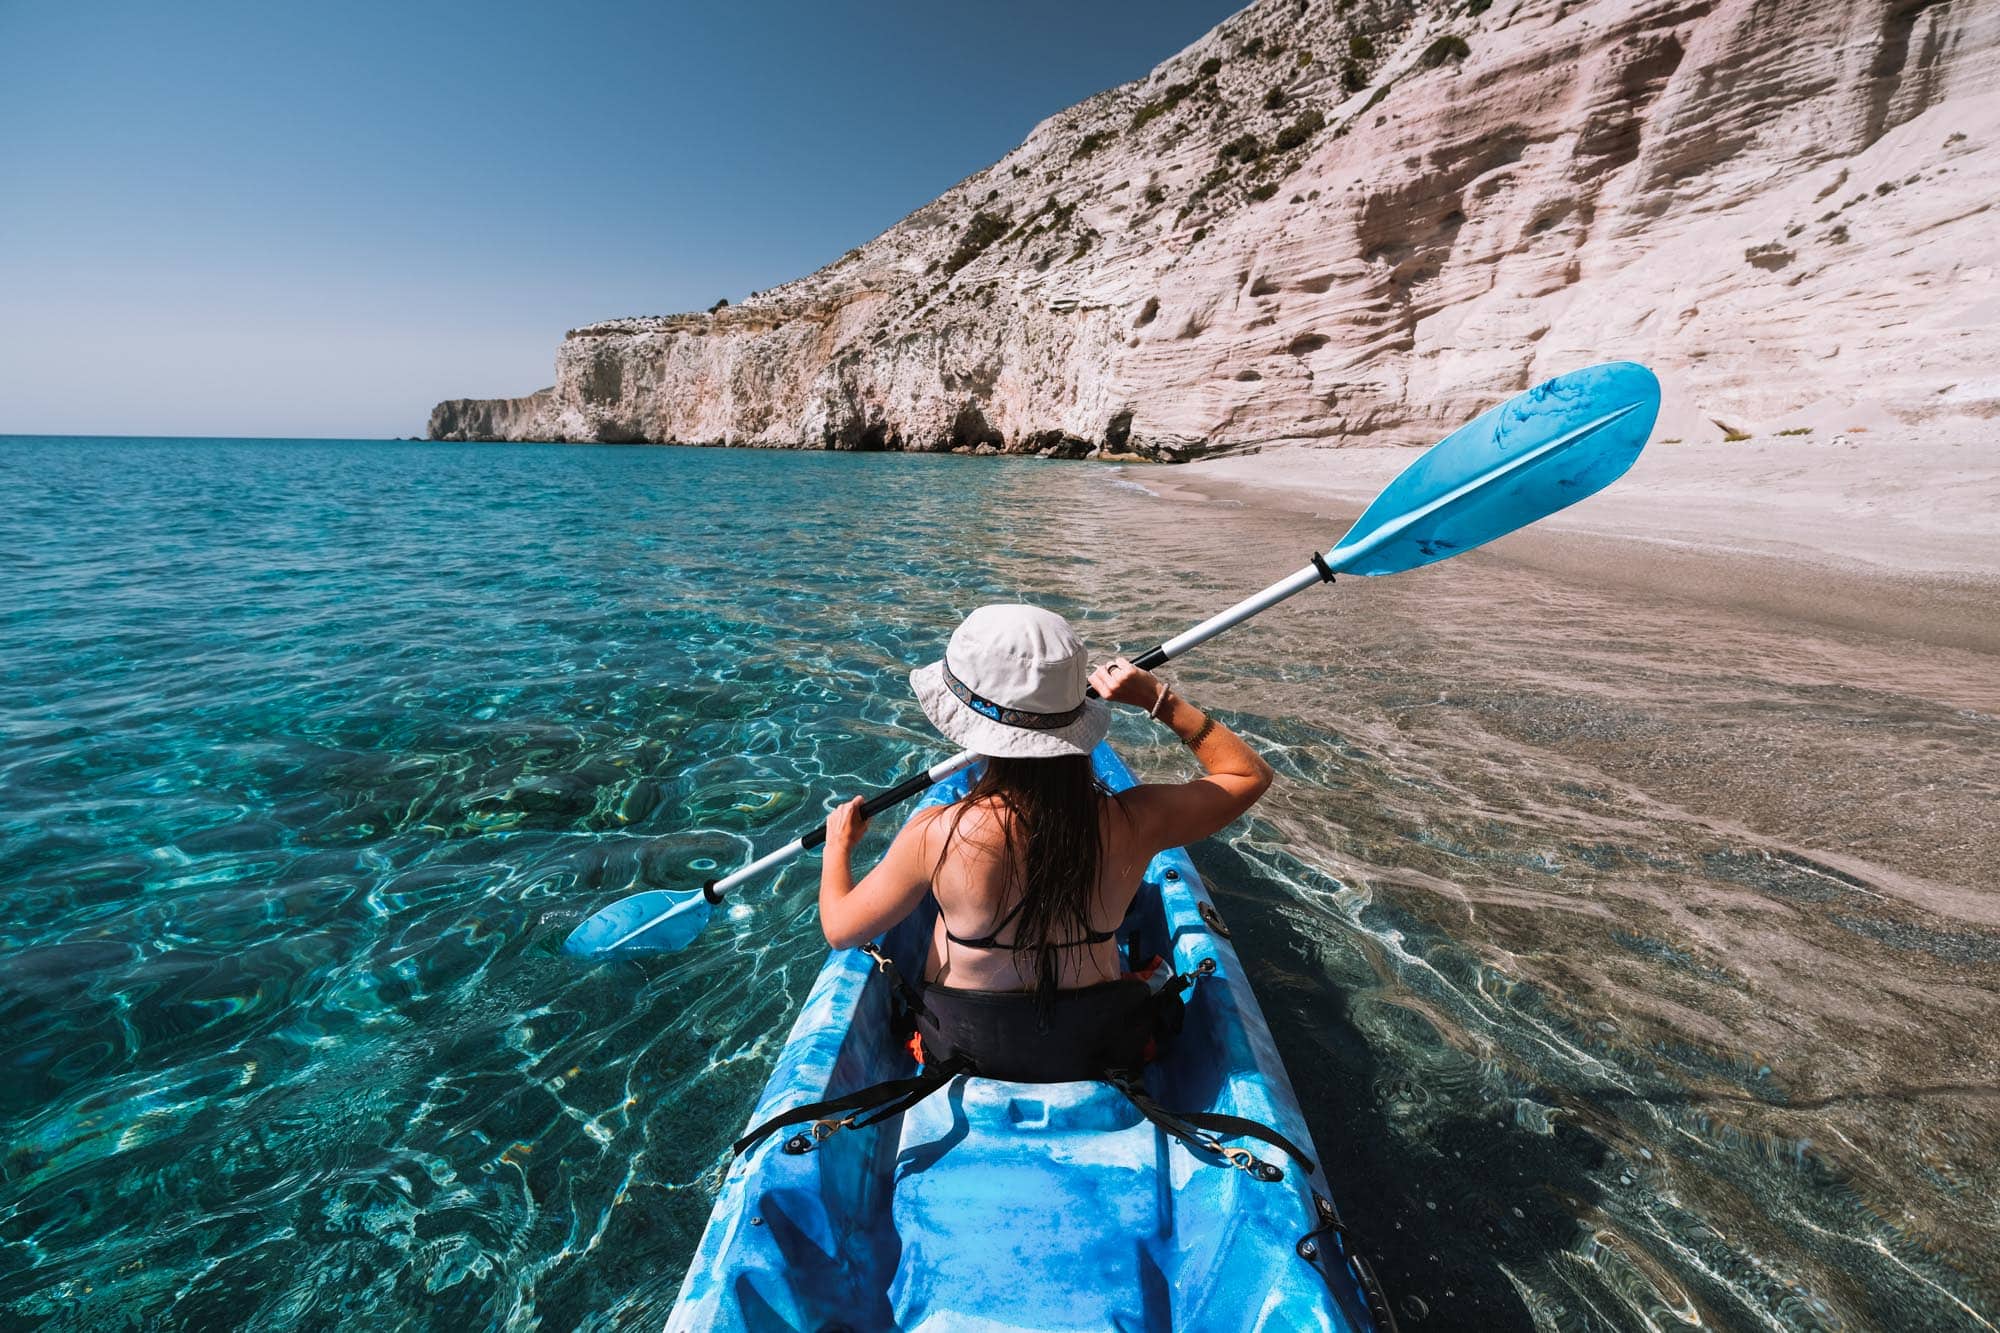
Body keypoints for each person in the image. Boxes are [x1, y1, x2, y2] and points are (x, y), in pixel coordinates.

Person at [815, 602, 1274, 1081]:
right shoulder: (1138, 820)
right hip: (1095, 1044)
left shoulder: (936, 832)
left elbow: (842, 930)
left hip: (964, 1044)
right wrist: (1158, 699)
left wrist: (837, 848)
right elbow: (1249, 775)